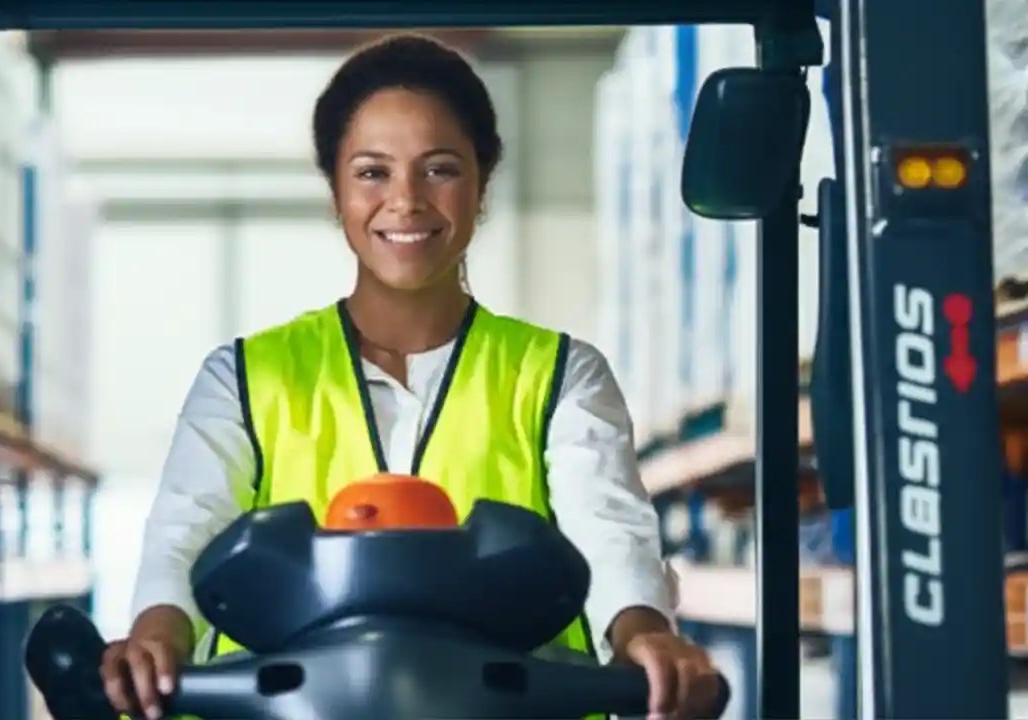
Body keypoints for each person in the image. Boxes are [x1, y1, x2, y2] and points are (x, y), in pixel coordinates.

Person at [102, 32, 723, 720]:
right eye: (372, 172)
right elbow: (184, 535)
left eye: (440, 169)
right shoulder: (245, 379)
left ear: (482, 183)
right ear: (334, 189)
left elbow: (610, 535)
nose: (405, 201)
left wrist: (644, 637)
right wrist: (157, 637)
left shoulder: (560, 377)